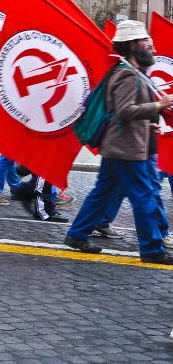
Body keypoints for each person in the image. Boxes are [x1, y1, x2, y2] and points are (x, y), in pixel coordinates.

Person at [64, 20, 173, 263]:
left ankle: (77, 234)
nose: (151, 46)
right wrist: (159, 105)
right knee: (145, 197)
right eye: (146, 42)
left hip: (120, 146)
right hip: (128, 150)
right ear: (133, 45)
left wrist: (149, 123)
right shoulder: (126, 75)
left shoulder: (130, 72)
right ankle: (152, 249)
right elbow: (124, 111)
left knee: (102, 194)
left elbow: (126, 113)